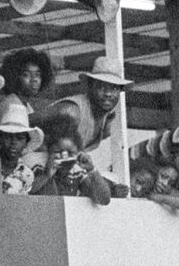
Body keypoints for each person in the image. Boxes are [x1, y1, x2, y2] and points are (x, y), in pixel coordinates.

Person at [42, 55, 131, 186]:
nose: (108, 93)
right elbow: (29, 123)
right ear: (89, 86)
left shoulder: (107, 119)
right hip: (38, 166)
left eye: (114, 88)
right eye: (102, 86)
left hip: (62, 169)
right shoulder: (73, 111)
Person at [31, 127, 113, 203]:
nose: (64, 157)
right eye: (57, 152)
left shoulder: (77, 174)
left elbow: (104, 199)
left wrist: (91, 169)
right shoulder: (39, 169)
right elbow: (27, 192)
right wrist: (46, 176)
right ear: (49, 152)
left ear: (78, 154)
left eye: (70, 153)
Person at [0, 98, 45, 193]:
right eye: (8, 137)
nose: (13, 142)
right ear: (0, 138)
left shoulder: (27, 174)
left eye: (20, 138)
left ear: (26, 143)